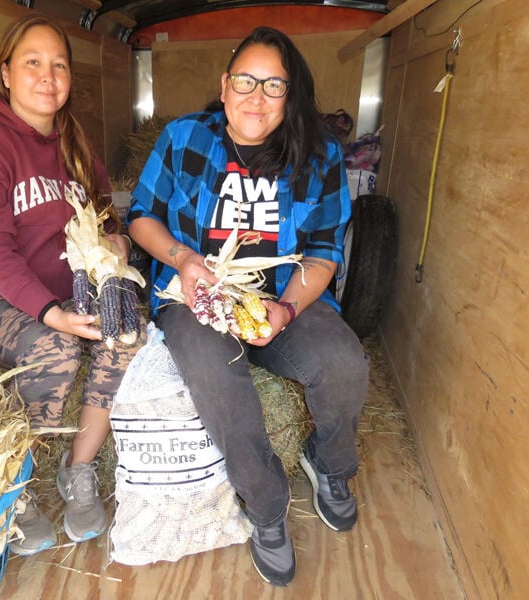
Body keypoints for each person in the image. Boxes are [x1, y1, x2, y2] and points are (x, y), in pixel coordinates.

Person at [127, 26, 368, 586]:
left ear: (292, 94)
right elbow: (141, 214)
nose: (256, 97)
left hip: (283, 294)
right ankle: (265, 507)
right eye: (245, 80)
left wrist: (284, 309)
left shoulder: (321, 154)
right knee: (218, 379)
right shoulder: (186, 137)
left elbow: (325, 251)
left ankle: (330, 465)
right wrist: (185, 259)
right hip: (196, 297)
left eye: (274, 85)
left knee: (343, 364)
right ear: (224, 83)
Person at [0, 15, 142, 555]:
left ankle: (77, 471)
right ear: (5, 73)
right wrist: (48, 312)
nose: (47, 76)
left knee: (126, 333)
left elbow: (106, 221)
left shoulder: (76, 145)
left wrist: (116, 247)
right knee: (55, 351)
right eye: (32, 63)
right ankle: (13, 489)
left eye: (58, 65)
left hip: (68, 296)